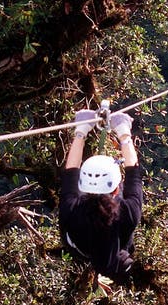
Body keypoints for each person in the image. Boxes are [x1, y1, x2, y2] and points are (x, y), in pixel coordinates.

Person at [59, 108, 142, 286]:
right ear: (115, 189)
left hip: (83, 243)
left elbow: (133, 170)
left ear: (84, 185)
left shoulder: (73, 208)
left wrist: (122, 130)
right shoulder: (126, 212)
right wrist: (82, 131)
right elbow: (71, 172)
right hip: (86, 248)